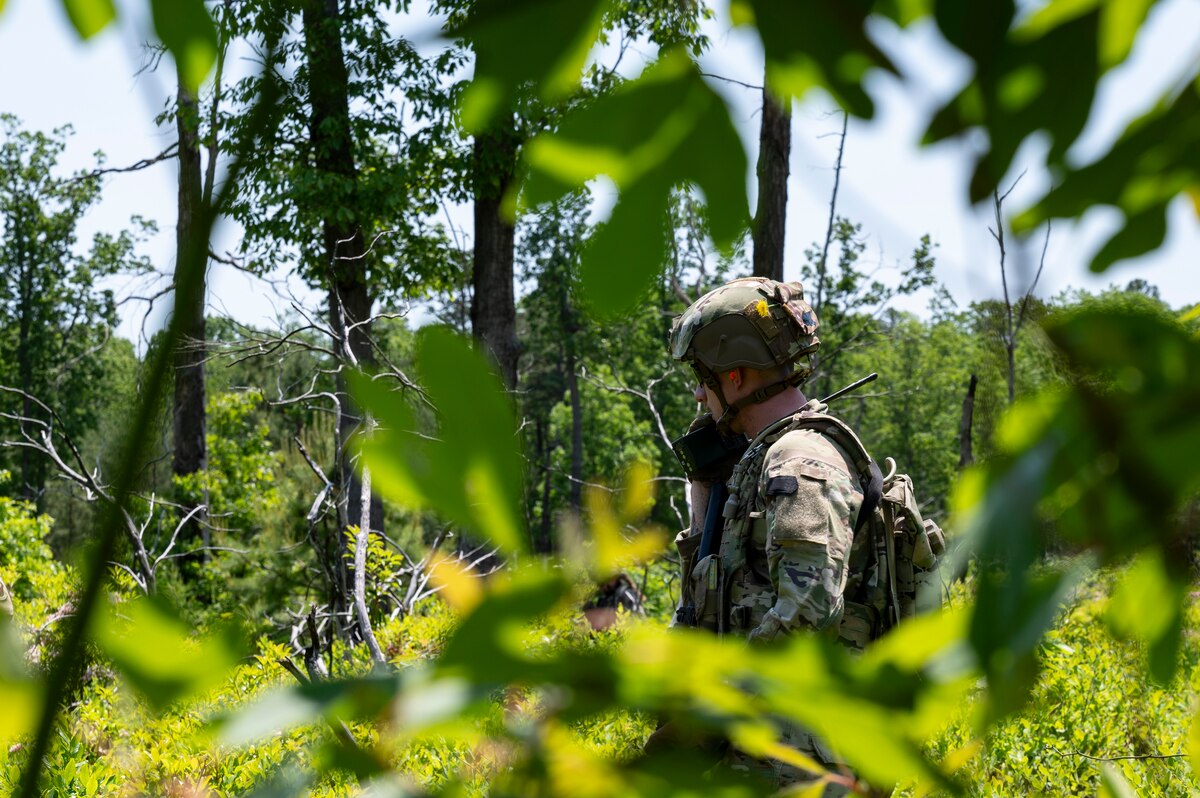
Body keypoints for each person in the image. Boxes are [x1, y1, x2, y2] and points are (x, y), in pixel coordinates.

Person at [661, 276, 883, 794]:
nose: (698, 393)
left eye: (704, 378)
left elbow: (807, 611)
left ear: (735, 376)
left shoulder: (800, 461)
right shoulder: (756, 458)